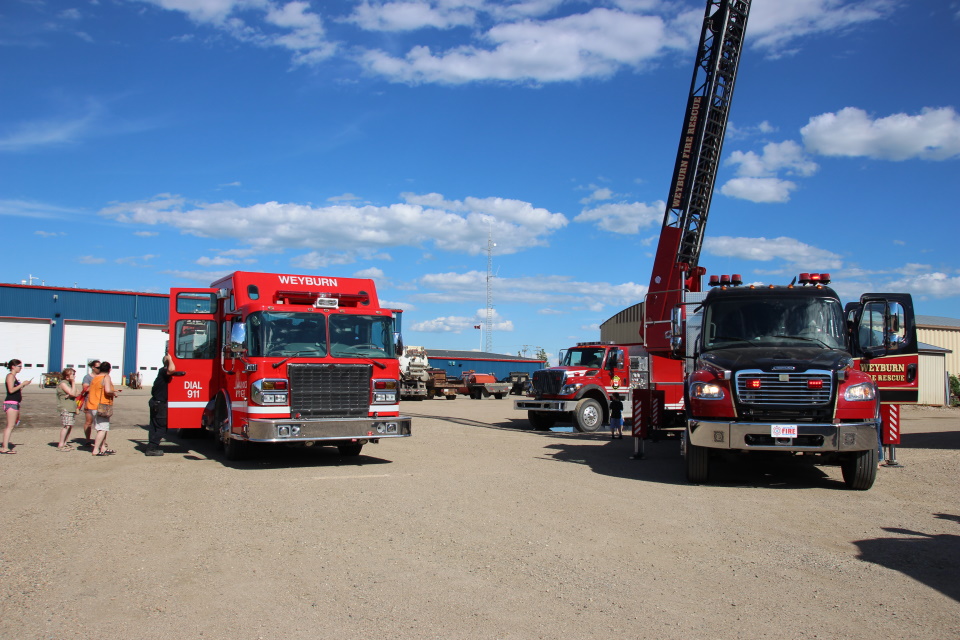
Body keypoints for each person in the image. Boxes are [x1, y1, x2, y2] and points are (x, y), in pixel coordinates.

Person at [146, 353, 185, 456]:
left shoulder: (161, 373)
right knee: (161, 427)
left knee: (154, 426)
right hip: (159, 404)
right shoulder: (164, 371)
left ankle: (151, 447)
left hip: (155, 403)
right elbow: (171, 370)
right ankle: (152, 448)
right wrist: (170, 359)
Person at [86, 361, 119, 456]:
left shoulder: (95, 378)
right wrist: (114, 393)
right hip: (102, 405)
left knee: (99, 427)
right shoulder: (106, 377)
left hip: (92, 404)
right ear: (109, 369)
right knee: (103, 428)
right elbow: (108, 390)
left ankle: (103, 447)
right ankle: (96, 450)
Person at [3, 359, 32, 454]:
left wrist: (23, 385)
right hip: (11, 402)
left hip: (14, 402)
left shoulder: (13, 377)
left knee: (11, 426)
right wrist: (22, 384)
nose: (21, 368)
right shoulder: (10, 376)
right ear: (13, 367)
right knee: (10, 426)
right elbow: (11, 390)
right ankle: (4, 447)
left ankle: (5, 446)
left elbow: (15, 389)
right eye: (19, 366)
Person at [56, 367, 81, 451]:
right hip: (65, 407)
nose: (74, 377)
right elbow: (73, 393)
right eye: (72, 375)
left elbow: (77, 393)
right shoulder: (63, 383)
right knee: (66, 425)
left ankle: (65, 443)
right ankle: (61, 444)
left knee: (70, 425)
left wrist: (71, 394)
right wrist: (71, 392)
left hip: (71, 407)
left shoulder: (69, 384)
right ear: (67, 376)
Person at [81, 360, 101, 445]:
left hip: (100, 402)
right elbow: (85, 388)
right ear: (93, 367)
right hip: (89, 401)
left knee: (101, 423)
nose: (99, 369)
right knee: (88, 422)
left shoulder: (102, 376)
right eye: (97, 367)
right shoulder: (87, 377)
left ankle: (101, 441)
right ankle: (88, 440)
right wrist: (96, 386)